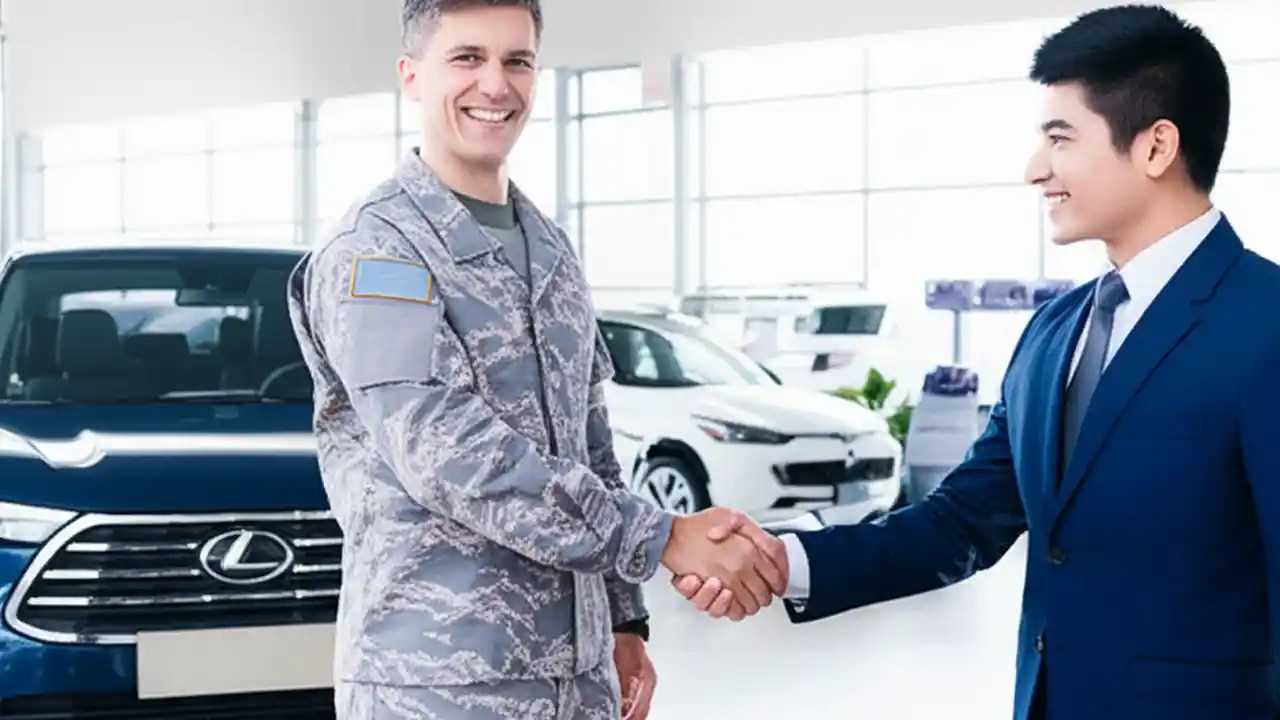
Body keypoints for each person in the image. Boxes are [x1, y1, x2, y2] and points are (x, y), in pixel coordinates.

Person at [675, 5, 1280, 719]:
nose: (1035, 171)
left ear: (1155, 147)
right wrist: (783, 562)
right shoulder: (1053, 332)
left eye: (1061, 138)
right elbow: (962, 522)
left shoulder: (1264, 323)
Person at [285, 1, 786, 718]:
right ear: (412, 76)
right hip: (437, 682)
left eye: (517, 61)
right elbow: (449, 453)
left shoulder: (549, 249)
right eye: (467, 58)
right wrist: (661, 537)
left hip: (575, 679)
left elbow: (592, 447)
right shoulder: (379, 252)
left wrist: (621, 618)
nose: (496, 85)